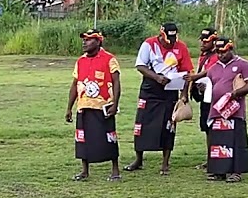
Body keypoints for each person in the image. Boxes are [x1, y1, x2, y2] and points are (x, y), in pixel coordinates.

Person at [128, 22, 192, 174]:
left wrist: (184, 94)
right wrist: (156, 77)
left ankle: (165, 162)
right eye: (166, 40)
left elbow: (186, 72)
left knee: (169, 124)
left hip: (170, 89)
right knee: (142, 124)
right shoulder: (149, 44)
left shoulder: (181, 47)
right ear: (161, 35)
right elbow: (140, 66)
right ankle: (138, 159)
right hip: (150, 89)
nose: (169, 43)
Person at [66, 29, 122, 181]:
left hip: (103, 106)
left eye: (89, 39)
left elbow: (116, 82)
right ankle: (84, 170)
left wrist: (115, 104)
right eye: (84, 39)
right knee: (82, 138)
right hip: (84, 106)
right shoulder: (80, 61)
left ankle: (115, 170)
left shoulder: (109, 59)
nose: (84, 42)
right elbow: (75, 84)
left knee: (109, 137)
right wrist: (69, 108)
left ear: (98, 42)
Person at [202, 37, 248, 182]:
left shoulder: (242, 65)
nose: (220, 55)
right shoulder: (213, 68)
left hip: (234, 110)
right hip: (217, 110)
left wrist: (235, 93)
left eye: (224, 52)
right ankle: (218, 171)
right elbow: (209, 86)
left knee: (235, 141)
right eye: (218, 52)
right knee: (219, 141)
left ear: (230, 49)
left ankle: (236, 171)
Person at [190, 28, 219, 167]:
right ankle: (210, 157)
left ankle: (215, 157)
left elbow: (213, 71)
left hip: (216, 97)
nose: (202, 43)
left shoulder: (219, 55)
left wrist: (197, 77)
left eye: (206, 41)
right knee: (207, 128)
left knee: (214, 127)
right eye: (201, 40)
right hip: (205, 96)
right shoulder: (204, 55)